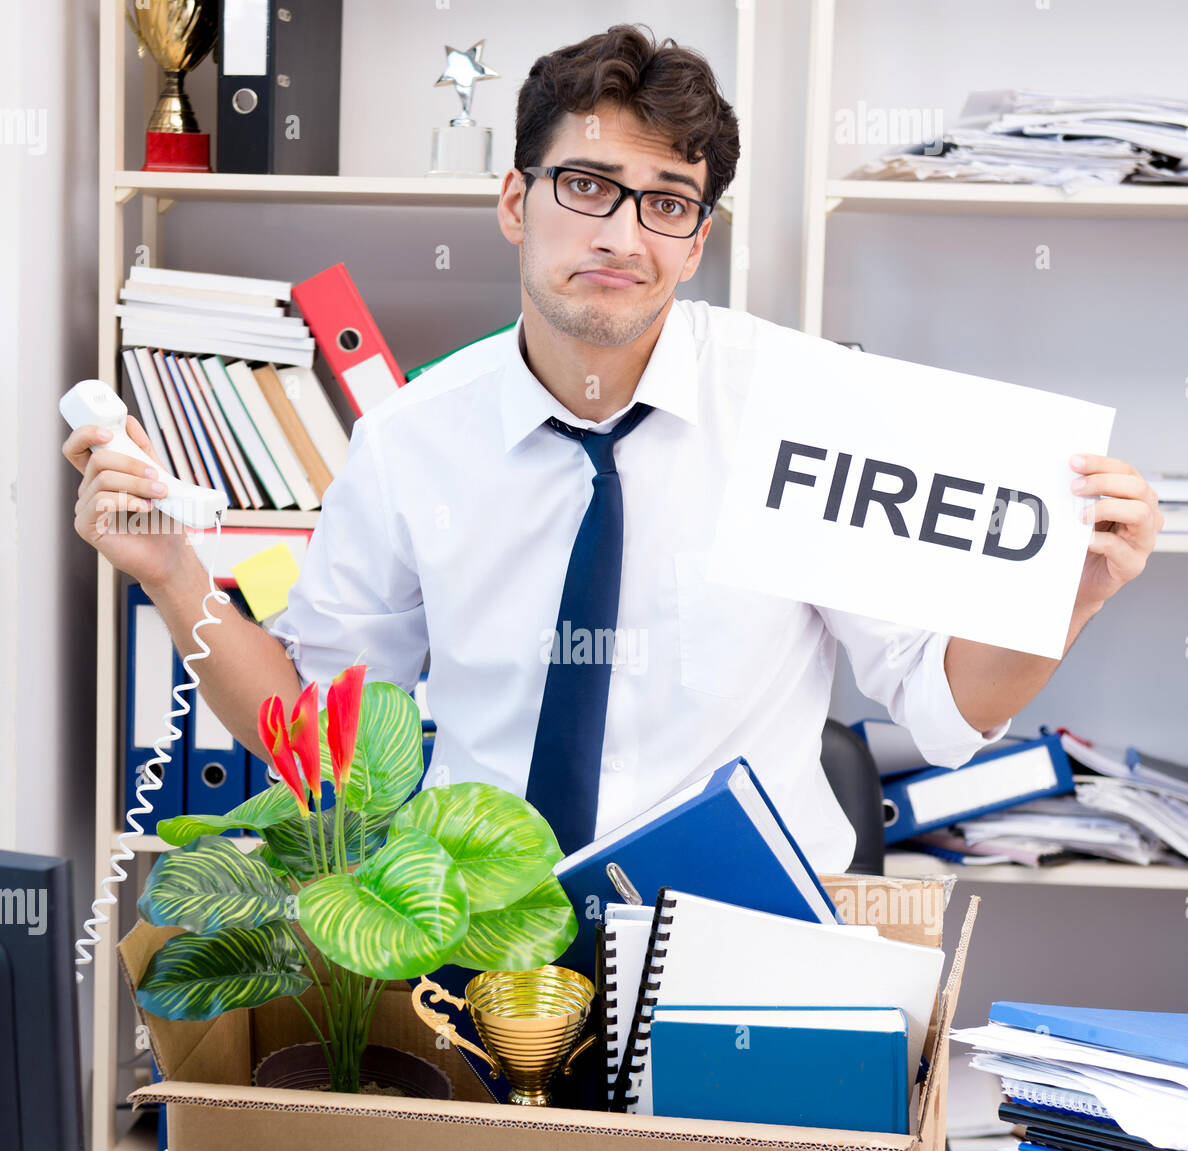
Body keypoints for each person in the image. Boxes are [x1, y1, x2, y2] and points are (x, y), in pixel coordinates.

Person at [64, 25, 1164, 873]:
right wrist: (174, 575)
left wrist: (1067, 596)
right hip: (483, 939)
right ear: (514, 201)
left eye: (668, 203)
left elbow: (939, 705)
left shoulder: (801, 410)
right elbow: (325, 746)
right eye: (588, 186)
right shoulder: (410, 441)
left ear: (697, 241)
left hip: (741, 943)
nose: (623, 236)